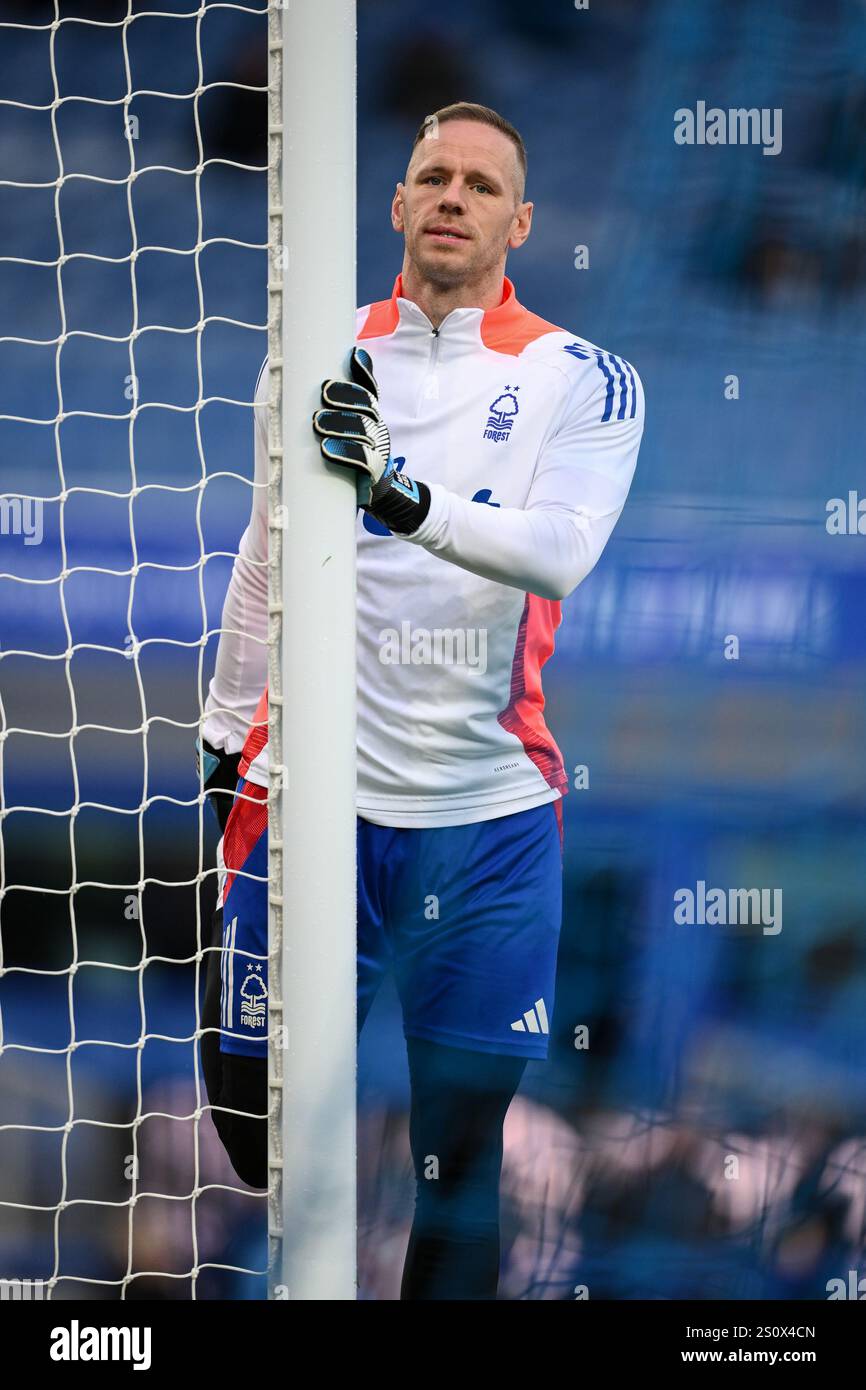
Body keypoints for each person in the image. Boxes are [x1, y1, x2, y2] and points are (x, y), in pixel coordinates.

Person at [199, 101, 645, 1300]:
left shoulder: (583, 379)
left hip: (484, 818)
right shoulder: (315, 349)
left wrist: (395, 494)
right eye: (431, 177)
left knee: (457, 1160)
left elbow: (555, 550)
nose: (453, 198)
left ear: (519, 221)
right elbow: (263, 548)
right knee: (251, 1124)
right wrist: (221, 731)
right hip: (313, 802)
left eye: (480, 185)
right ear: (396, 204)